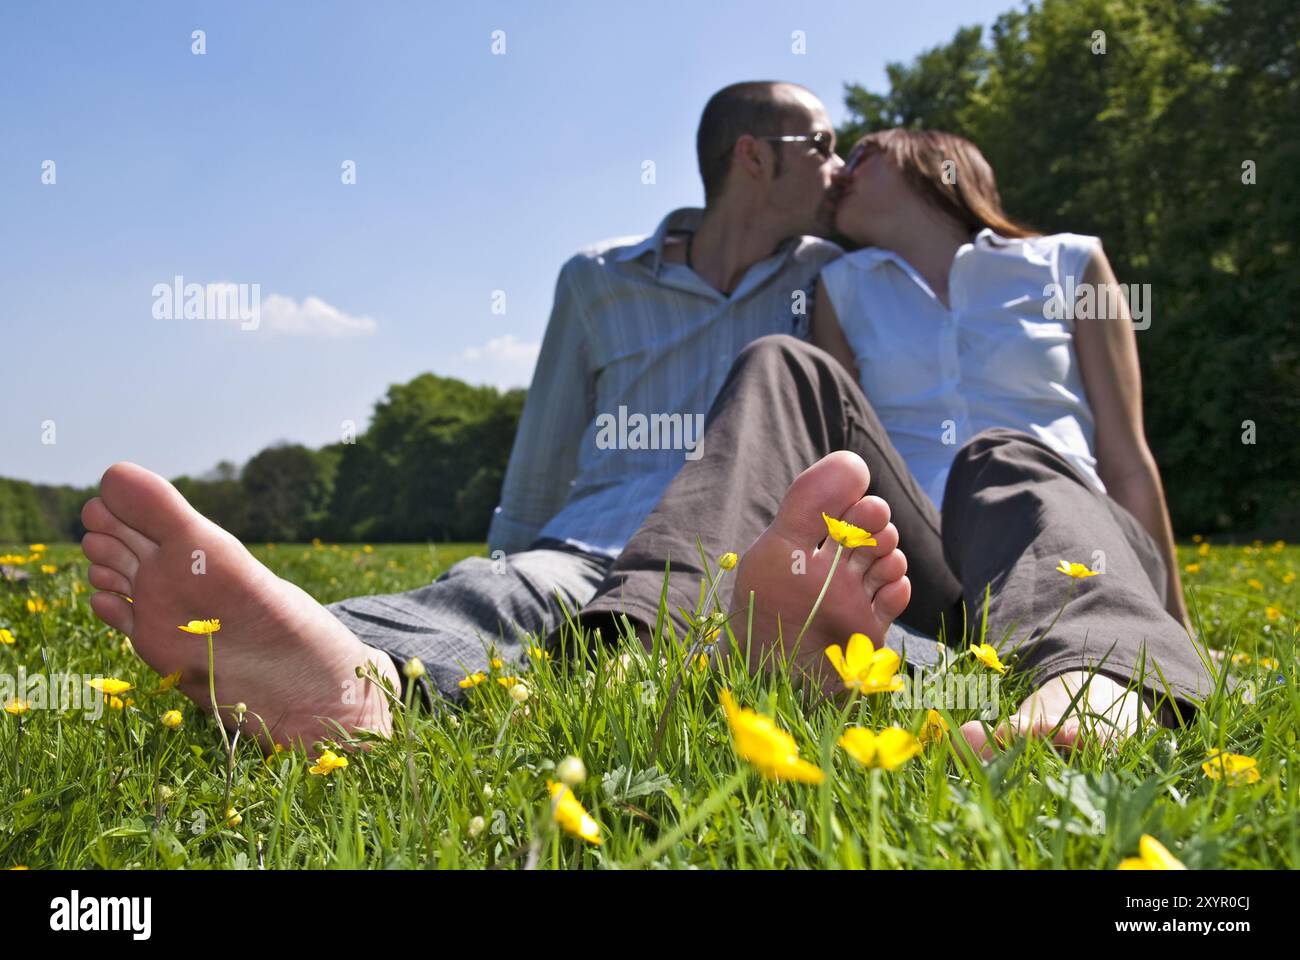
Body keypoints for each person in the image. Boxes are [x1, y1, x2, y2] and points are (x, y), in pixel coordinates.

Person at [77, 81, 845, 750]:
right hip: (587, 545)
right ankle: (343, 662)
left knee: (642, 624)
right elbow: (547, 440)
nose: (839, 166)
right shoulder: (598, 280)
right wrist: (511, 555)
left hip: (743, 554)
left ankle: (390, 681)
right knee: (483, 599)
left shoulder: (836, 276)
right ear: (751, 155)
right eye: (822, 145)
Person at [579, 128, 1218, 758]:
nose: (841, 171)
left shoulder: (1070, 262)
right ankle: (640, 642)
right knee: (781, 360)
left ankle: (1097, 680)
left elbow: (1128, 455)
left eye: (863, 154)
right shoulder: (843, 286)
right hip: (920, 564)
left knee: (1004, 454)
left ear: (936, 163)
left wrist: (1174, 628)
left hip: (1067, 540)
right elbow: (826, 448)